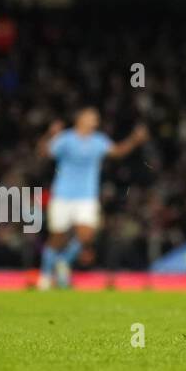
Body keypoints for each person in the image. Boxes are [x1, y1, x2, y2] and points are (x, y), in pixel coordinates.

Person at [35, 108, 148, 289]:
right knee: (58, 238)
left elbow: (117, 152)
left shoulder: (98, 141)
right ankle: (46, 275)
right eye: (91, 118)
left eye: (96, 119)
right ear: (79, 119)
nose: (94, 122)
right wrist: (49, 134)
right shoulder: (66, 139)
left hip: (86, 196)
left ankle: (63, 263)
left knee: (86, 235)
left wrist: (134, 140)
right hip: (63, 194)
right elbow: (44, 153)